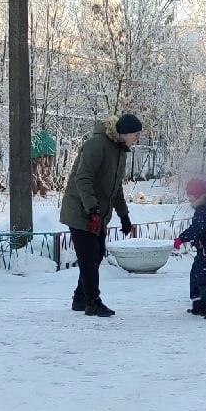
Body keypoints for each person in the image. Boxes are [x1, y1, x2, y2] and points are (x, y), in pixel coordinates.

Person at [60, 113, 141, 317]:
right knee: (88, 257)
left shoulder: (120, 151)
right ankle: (92, 301)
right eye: (135, 134)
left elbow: (116, 188)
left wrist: (124, 216)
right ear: (124, 133)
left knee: (95, 254)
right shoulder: (97, 145)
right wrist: (92, 209)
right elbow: (83, 178)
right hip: (80, 210)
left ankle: (80, 298)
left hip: (98, 213)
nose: (137, 139)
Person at [174, 176, 206, 319]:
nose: (188, 198)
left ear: (198, 195)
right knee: (195, 274)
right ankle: (199, 306)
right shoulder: (204, 209)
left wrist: (181, 238)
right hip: (205, 250)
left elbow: (196, 229)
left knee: (205, 278)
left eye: (190, 195)